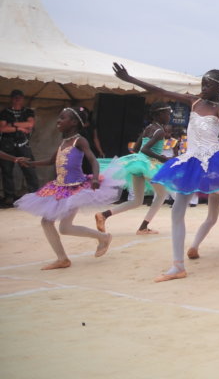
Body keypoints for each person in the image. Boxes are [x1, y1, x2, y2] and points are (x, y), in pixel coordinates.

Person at [112, 63, 219, 282]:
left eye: (209, 83)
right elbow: (162, 91)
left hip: (215, 160)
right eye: (203, 82)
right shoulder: (193, 101)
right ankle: (178, 266)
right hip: (191, 162)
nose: (203, 86)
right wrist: (130, 79)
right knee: (178, 211)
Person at [14, 106, 119, 269]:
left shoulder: (80, 141)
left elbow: (93, 160)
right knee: (55, 224)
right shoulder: (63, 142)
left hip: (74, 189)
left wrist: (96, 178)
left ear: (74, 122)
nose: (58, 121)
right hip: (60, 187)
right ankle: (72, 253)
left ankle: (96, 241)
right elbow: (51, 161)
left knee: (57, 225)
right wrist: (29, 163)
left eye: (62, 118)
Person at [95, 102, 173, 234]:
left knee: (137, 201)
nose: (169, 116)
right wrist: (160, 158)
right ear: (159, 114)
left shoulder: (148, 128)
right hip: (149, 165)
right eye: (167, 113)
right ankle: (143, 227)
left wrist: (142, 161)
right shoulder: (160, 131)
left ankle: (104, 215)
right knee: (161, 195)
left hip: (139, 164)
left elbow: (136, 148)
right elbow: (145, 149)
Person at [0, 89, 40, 205]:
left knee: (29, 167)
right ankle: (9, 196)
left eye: (19, 97)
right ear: (11, 98)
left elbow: (31, 124)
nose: (17, 99)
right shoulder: (4, 112)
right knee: (7, 170)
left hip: (23, 143)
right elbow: (2, 128)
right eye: (15, 97)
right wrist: (20, 128)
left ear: (23, 98)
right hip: (7, 144)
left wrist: (12, 125)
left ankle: (35, 195)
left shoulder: (27, 111)